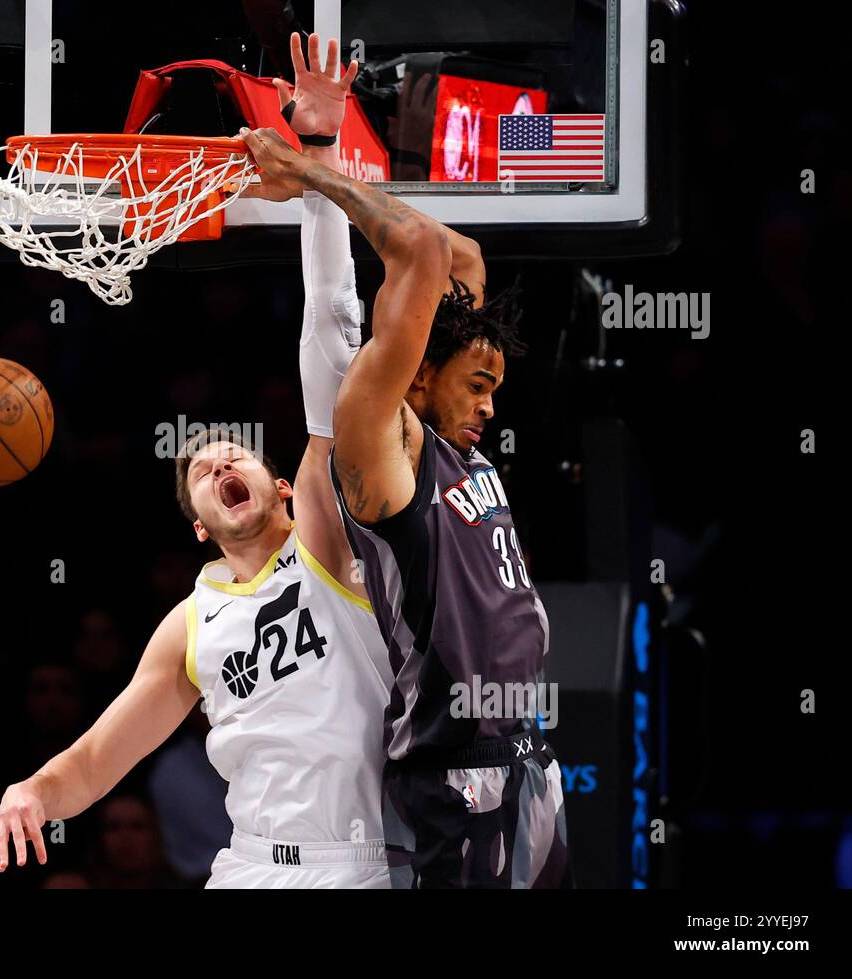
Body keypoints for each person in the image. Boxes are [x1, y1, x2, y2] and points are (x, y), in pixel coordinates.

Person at [0, 32, 393, 888]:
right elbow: (98, 756)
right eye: (201, 475)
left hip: (355, 866)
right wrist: (32, 789)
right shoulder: (192, 622)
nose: (216, 469)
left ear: (285, 488)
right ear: (202, 529)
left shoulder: (327, 539)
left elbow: (331, 329)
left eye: (232, 458)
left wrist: (320, 156)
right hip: (243, 868)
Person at [239, 31, 572, 889]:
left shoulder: (449, 436)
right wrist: (311, 164)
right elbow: (419, 257)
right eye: (480, 383)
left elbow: (460, 258)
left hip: (528, 755)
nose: (494, 406)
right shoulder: (381, 442)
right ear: (420, 374)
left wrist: (323, 147)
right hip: (457, 772)